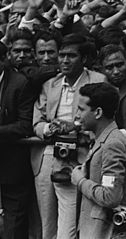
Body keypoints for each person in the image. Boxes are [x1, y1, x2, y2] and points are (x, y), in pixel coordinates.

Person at [32, 34, 107, 239]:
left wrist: (73, 127)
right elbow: (36, 121)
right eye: (62, 55)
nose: (65, 60)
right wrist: (49, 128)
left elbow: (103, 118)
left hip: (81, 151)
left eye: (71, 56)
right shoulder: (50, 84)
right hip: (48, 149)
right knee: (47, 222)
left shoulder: (98, 81)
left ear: (83, 59)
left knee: (69, 221)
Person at [72, 82, 126, 239]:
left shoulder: (112, 144)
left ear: (98, 112)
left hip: (105, 232)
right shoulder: (103, 139)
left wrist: (80, 181)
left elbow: (110, 196)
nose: (76, 115)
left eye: (81, 109)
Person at [0, 40, 34, 239]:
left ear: (4, 60)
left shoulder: (20, 83)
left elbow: (24, 125)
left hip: (12, 165)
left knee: (14, 228)